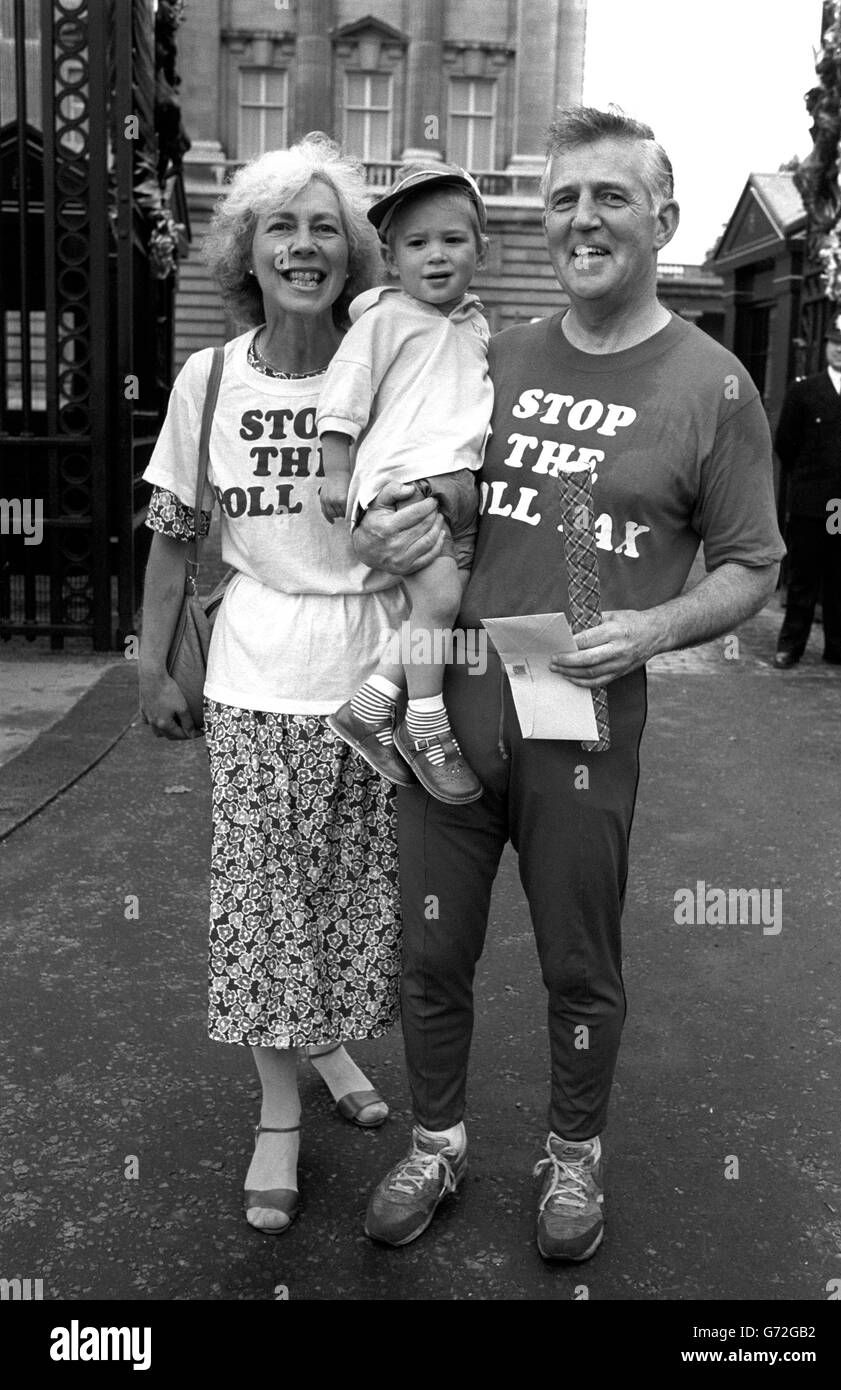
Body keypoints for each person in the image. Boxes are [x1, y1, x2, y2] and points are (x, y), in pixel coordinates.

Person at [353, 107, 787, 1262]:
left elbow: (752, 564)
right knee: (430, 950)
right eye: (561, 199)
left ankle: (572, 1154)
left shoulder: (711, 384)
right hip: (452, 689)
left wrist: (652, 624)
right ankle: (436, 1140)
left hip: (578, 694)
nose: (580, 220)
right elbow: (427, 478)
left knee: (577, 960)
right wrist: (396, 523)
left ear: (663, 219)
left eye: (608, 196)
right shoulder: (491, 353)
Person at [138, 135, 407, 1237]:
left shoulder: (390, 366)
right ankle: (279, 1115)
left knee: (346, 897)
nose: (303, 246)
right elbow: (172, 533)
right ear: (246, 251)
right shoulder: (210, 379)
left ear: (353, 254)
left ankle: (330, 1044)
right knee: (263, 905)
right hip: (253, 676)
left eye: (324, 227)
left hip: (374, 677)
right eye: (280, 226)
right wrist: (150, 661)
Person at [317, 165, 494, 805]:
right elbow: (344, 393)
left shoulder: (475, 325)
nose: (436, 255)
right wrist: (338, 472)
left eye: (452, 240)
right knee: (439, 603)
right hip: (409, 483)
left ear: (481, 250)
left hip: (460, 488)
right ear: (392, 260)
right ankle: (426, 727)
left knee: (438, 608)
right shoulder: (385, 320)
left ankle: (368, 708)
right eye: (417, 244)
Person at [773, 304, 841, 670]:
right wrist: (809, 481)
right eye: (833, 341)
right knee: (803, 577)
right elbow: (786, 444)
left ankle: (838, 646)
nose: (839, 348)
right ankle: (791, 645)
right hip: (812, 500)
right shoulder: (805, 390)